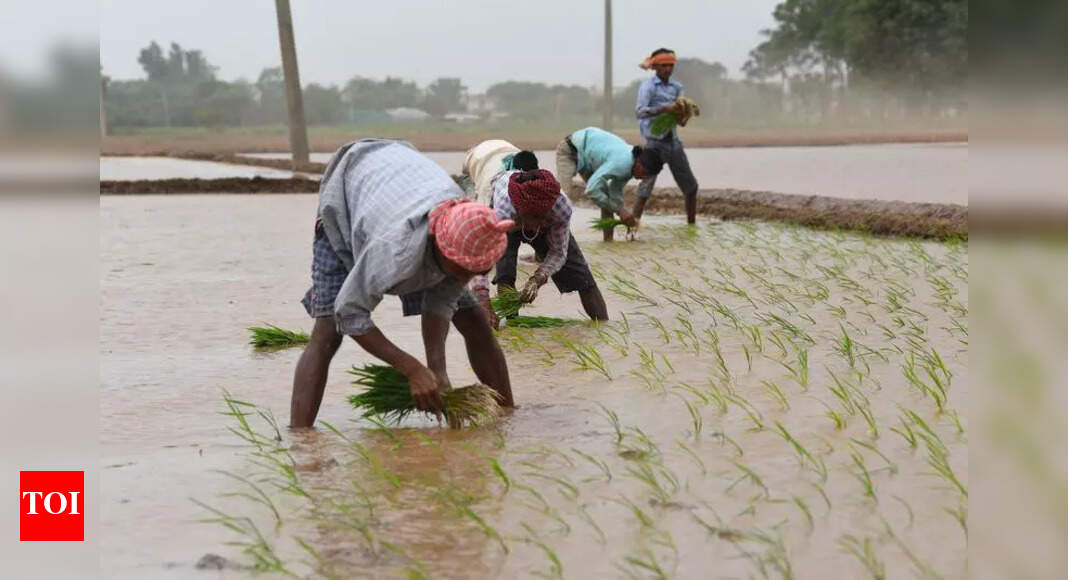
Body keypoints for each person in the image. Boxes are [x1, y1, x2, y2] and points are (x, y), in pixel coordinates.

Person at [291, 139, 514, 428]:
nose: (466, 278)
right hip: (347, 194)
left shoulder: (466, 226)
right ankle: (301, 438)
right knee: (328, 330)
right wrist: (412, 369)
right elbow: (349, 311)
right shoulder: (394, 250)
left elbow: (441, 301)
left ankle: (508, 416)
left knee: (473, 318)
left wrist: (437, 370)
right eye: (463, 270)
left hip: (398, 181)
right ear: (441, 248)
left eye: (476, 271)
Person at [487, 157, 609, 323]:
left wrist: (538, 278)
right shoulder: (503, 213)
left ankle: (603, 325)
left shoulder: (560, 208)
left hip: (547, 224)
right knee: (505, 275)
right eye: (532, 218)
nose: (534, 225)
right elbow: (481, 259)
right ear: (520, 209)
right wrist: (484, 301)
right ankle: (514, 325)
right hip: (511, 224)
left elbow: (558, 252)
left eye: (540, 217)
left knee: (582, 277)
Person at [555, 126, 664, 241]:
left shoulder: (631, 167)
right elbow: (591, 189)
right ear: (639, 163)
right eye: (645, 173)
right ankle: (553, 243)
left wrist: (622, 212)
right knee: (561, 201)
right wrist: (620, 211)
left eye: (648, 176)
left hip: (588, 157)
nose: (644, 178)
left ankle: (608, 241)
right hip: (571, 150)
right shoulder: (622, 163)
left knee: (606, 200)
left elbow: (615, 191)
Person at [633, 48, 700, 225]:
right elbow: (639, 112)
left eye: (671, 65)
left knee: (691, 187)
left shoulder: (677, 87)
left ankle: (691, 226)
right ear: (655, 67)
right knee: (645, 187)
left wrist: (683, 111)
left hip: (673, 142)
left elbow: (681, 112)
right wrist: (664, 109)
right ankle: (633, 224)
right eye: (664, 65)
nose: (668, 69)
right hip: (654, 143)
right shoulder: (648, 87)